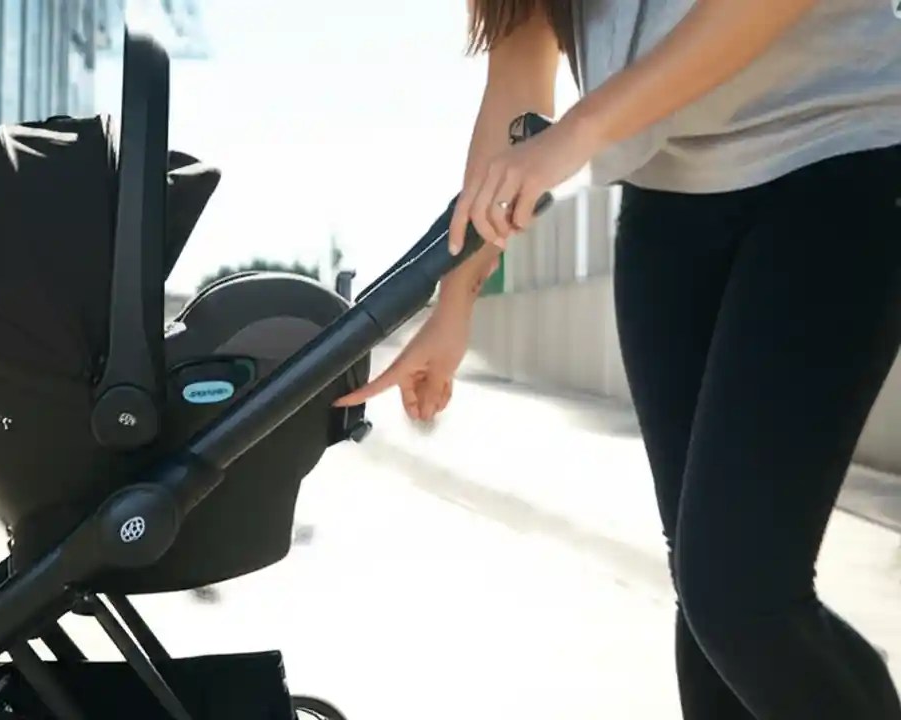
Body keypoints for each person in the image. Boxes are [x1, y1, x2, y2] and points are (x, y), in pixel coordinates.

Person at [337, 0, 901, 717]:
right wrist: (455, 307)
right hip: (669, 213)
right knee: (705, 599)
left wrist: (580, 132)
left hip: (832, 163)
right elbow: (515, 90)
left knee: (739, 595)